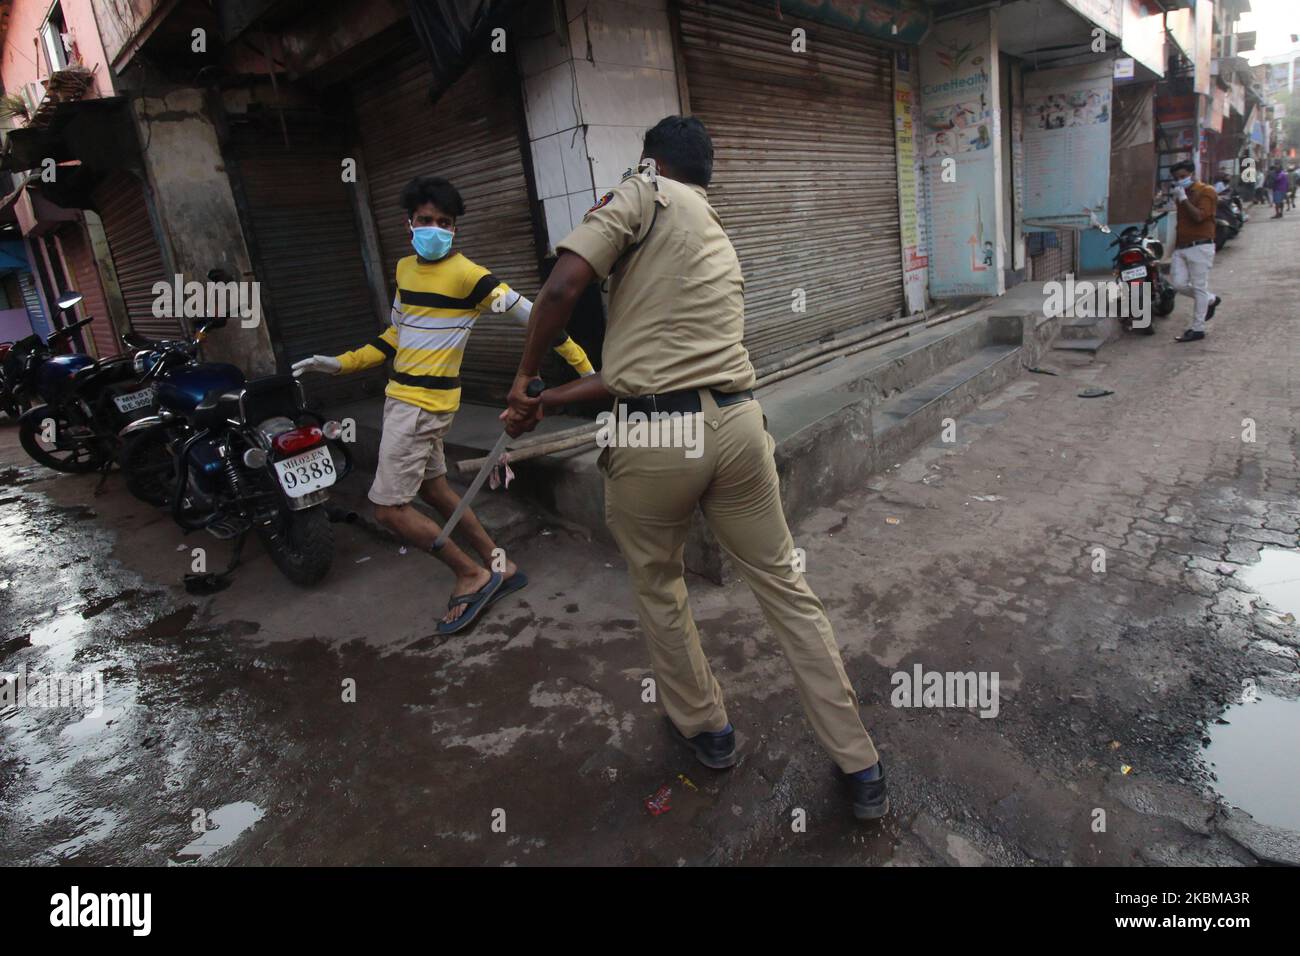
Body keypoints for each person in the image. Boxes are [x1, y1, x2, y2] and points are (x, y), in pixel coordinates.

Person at [502, 116, 889, 821]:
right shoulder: (716, 235)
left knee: (660, 584)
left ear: (651, 162)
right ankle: (860, 764)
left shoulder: (642, 191)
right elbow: (639, 369)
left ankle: (707, 730)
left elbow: (560, 291)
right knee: (786, 589)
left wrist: (525, 379)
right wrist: (549, 400)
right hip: (738, 425)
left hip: (657, 438)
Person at [292, 175, 595, 634]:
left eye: (445, 222)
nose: (435, 229)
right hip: (403, 400)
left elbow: (539, 318)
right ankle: (499, 564)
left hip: (422, 408)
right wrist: (341, 364)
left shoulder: (470, 277)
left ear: (455, 228)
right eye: (426, 220)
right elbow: (396, 334)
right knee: (435, 490)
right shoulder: (404, 270)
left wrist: (586, 370)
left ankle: (470, 575)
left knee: (389, 510)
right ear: (409, 223)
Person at [1167, 161, 1220, 344]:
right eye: (1176, 178)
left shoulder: (1207, 191)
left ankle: (1198, 329)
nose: (1180, 180)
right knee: (1178, 284)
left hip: (1201, 245)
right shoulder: (1182, 193)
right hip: (1182, 246)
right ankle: (1210, 299)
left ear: (1192, 173)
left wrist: (1183, 199)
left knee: (1198, 287)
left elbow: (1198, 216)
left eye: (1183, 176)